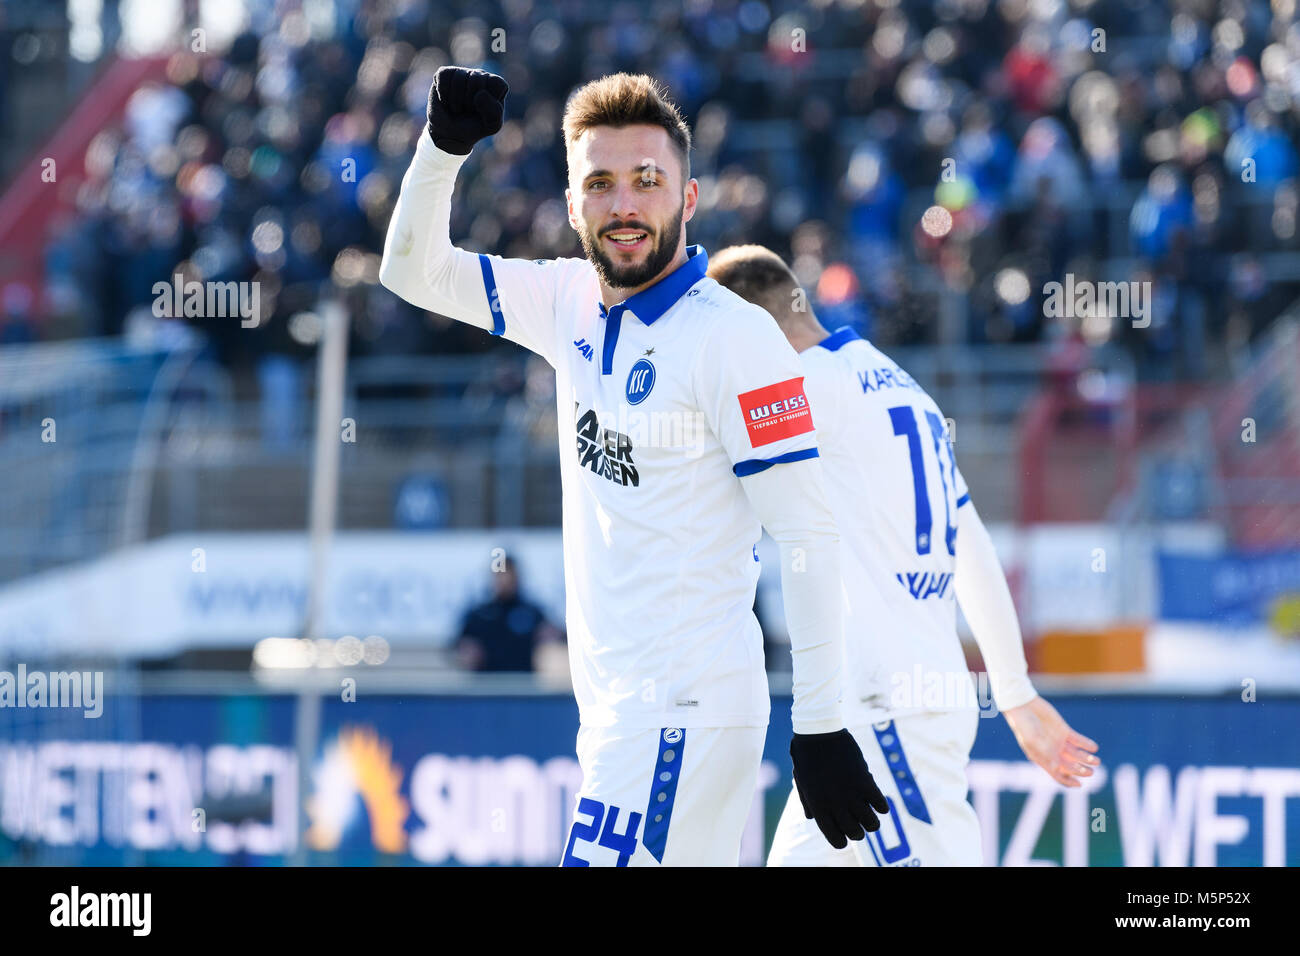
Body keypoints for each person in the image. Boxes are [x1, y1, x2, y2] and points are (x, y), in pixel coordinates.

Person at [380, 68, 887, 865]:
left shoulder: (734, 339)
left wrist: (821, 723)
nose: (624, 205)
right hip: (623, 719)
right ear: (574, 203)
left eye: (648, 181)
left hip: (682, 713)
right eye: (602, 183)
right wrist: (442, 150)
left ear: (687, 200)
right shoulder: (567, 301)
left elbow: (809, 535)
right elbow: (413, 272)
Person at [707, 245, 1100, 866]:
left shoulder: (803, 389)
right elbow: (971, 542)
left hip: (884, 707)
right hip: (903, 698)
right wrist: (1014, 691)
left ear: (751, 326)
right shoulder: (900, 385)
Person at [456, 555, 562, 673]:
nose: (504, 579)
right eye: (500, 574)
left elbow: (555, 635)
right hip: (486, 685)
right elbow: (461, 645)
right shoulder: (478, 615)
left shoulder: (532, 612)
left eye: (508, 573)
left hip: (526, 684)